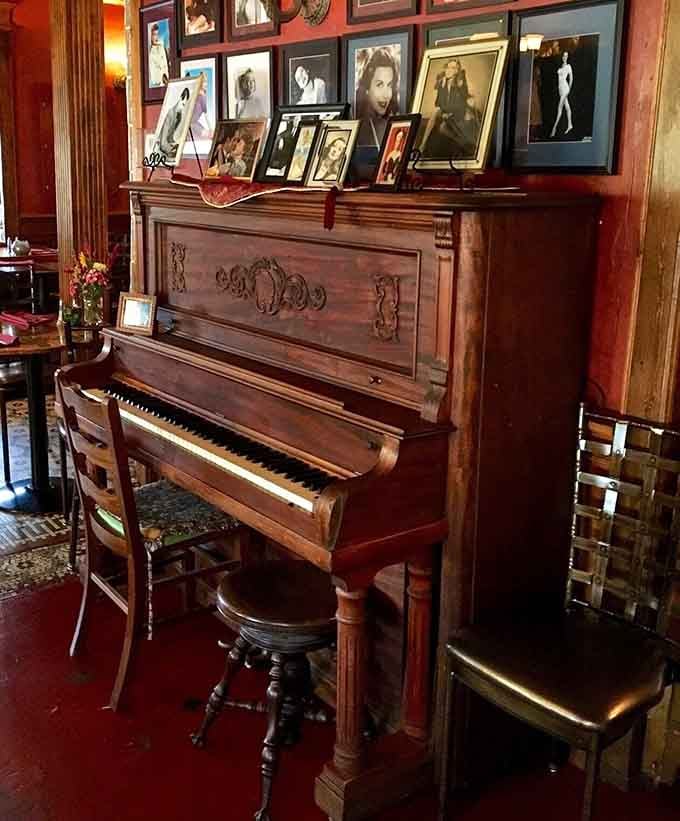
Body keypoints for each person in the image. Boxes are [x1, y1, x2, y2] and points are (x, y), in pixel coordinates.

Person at [356, 48, 399, 148]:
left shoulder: (393, 121)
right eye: (379, 85)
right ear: (367, 87)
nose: (386, 94)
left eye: (389, 85)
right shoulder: (358, 125)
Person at [154, 86, 192, 162]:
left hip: (168, 148)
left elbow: (170, 138)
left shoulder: (179, 115)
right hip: (161, 152)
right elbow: (163, 143)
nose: (183, 108)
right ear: (180, 98)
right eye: (183, 104)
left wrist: (176, 144)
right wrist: (172, 150)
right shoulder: (170, 113)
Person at [550, 51, 574, 137]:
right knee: (567, 107)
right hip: (561, 89)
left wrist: (569, 90)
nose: (565, 57)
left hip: (565, 88)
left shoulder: (568, 66)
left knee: (559, 108)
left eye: (566, 56)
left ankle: (554, 128)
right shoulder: (561, 67)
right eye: (564, 56)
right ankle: (570, 125)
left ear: (568, 57)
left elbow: (571, 78)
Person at [148, 23, 169, 88]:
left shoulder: (161, 47)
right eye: (154, 34)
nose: (156, 37)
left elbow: (165, 64)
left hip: (164, 80)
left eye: (157, 34)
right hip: (156, 81)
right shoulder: (150, 50)